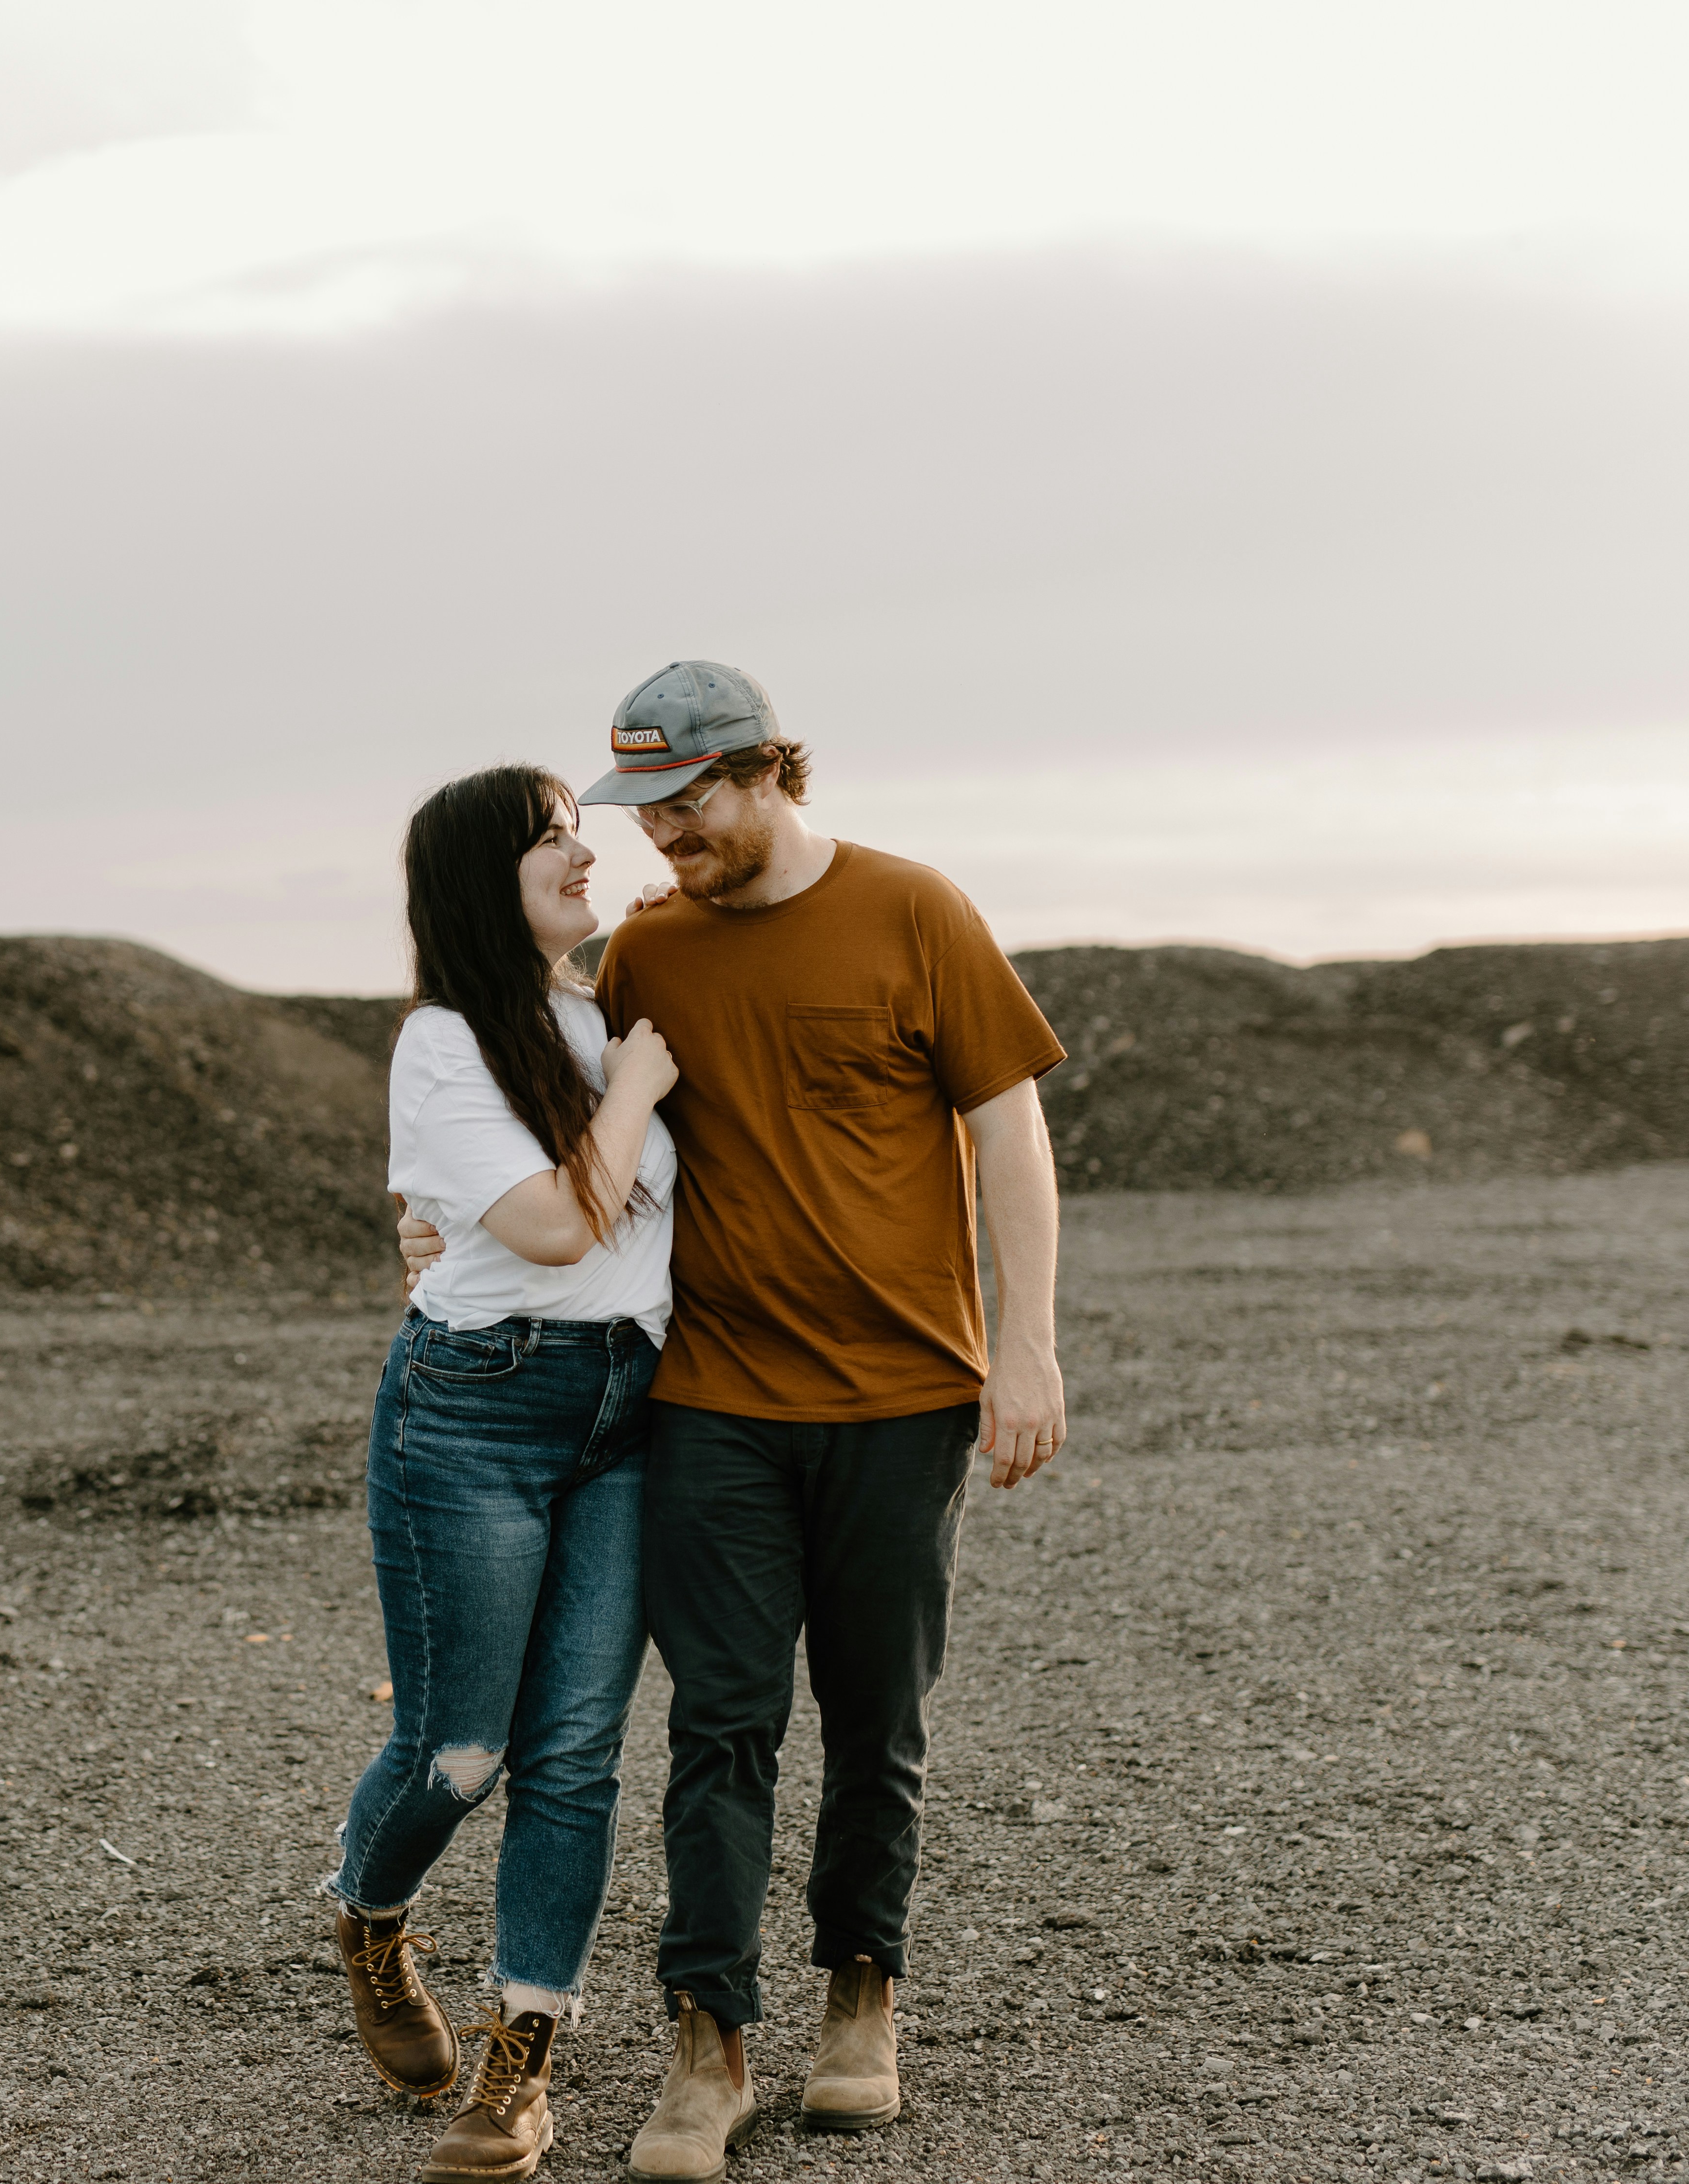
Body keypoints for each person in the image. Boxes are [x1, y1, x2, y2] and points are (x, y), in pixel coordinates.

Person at [398, 663, 1069, 2181]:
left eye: (685, 804)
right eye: (641, 813)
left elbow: (1009, 1131)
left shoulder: (917, 912)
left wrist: (1025, 1352)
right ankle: (709, 2042)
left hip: (906, 1400)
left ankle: (862, 2000)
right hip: (710, 1404)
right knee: (719, 1726)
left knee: (879, 1719)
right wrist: (430, 1219)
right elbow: (530, 1094)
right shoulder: (649, 954)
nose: (661, 840)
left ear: (767, 771)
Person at [329, 763, 683, 2184]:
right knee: (458, 1753)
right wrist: (637, 1089)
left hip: (631, 1410)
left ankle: (519, 2056)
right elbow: (546, 1225)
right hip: (476, 1413)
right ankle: (368, 1914)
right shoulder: (446, 1039)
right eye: (550, 838)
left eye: (577, 831)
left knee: (579, 1762)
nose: (579, 852)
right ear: (483, 877)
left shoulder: (601, 1020)